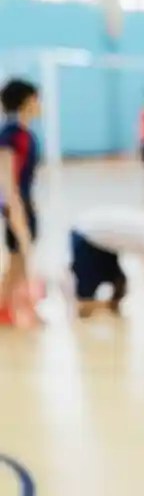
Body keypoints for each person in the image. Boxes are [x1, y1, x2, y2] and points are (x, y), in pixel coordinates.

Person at [0, 78, 42, 327]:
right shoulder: (10, 135)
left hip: (26, 204)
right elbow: (6, 182)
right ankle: (18, 309)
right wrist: (16, 215)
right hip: (14, 206)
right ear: (27, 101)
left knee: (19, 260)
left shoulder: (28, 135)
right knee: (19, 258)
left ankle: (11, 310)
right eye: (37, 99)